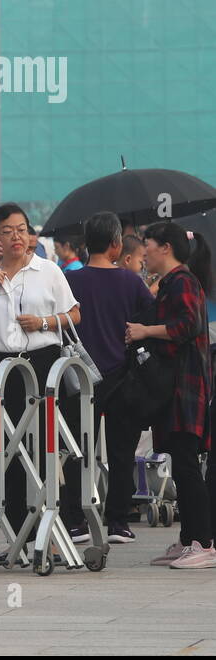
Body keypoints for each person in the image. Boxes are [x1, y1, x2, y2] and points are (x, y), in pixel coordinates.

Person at [0, 203, 81, 537]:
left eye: (21, 229)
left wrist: (43, 322)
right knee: (6, 446)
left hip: (43, 363)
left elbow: (74, 314)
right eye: (7, 231)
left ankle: (50, 527)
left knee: (43, 445)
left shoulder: (48, 270)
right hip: (3, 367)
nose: (16, 237)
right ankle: (18, 530)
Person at [126, 222, 214, 568]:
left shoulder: (183, 281)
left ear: (165, 247)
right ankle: (188, 538)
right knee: (180, 463)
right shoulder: (171, 283)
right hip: (175, 388)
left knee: (188, 466)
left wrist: (146, 330)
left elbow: (187, 325)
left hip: (185, 387)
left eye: (147, 244)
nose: (143, 250)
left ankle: (204, 543)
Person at [66, 212, 154, 544]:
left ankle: (75, 520)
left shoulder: (70, 280)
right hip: (122, 377)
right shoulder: (131, 282)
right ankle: (118, 520)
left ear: (87, 243)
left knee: (76, 449)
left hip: (78, 379)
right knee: (120, 451)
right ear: (117, 245)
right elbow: (150, 317)